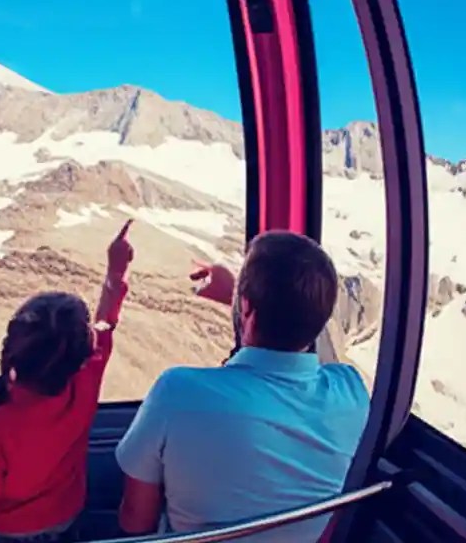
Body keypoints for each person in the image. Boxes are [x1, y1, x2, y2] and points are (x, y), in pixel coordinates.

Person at [115, 230, 369, 542]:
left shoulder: (176, 392)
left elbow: (136, 523)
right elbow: (311, 341)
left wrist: (242, 304)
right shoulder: (352, 392)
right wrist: (244, 303)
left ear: (246, 308)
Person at [0, 221, 135, 543]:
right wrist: (116, 274)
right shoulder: (84, 381)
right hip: (65, 522)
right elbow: (106, 322)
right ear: (83, 355)